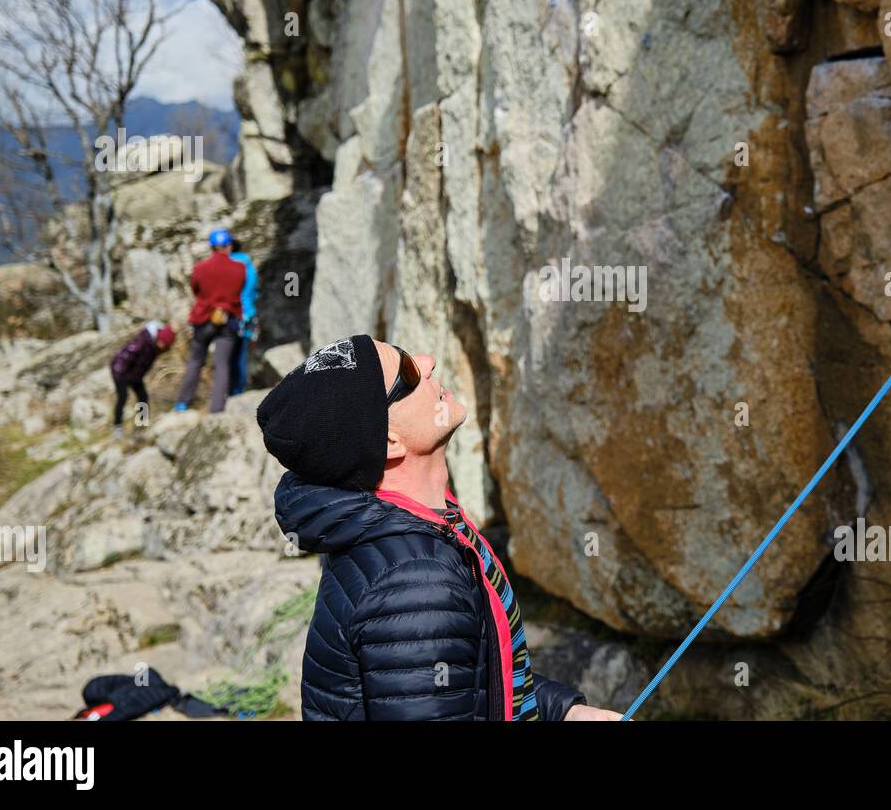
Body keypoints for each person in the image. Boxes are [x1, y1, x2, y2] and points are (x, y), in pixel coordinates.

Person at [257, 334, 625, 721]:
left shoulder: (415, 529)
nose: (429, 361)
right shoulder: (416, 582)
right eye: (409, 373)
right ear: (389, 441)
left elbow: (475, 678)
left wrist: (568, 713)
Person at [174, 228, 246, 414]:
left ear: (212, 247)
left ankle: (182, 403)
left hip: (203, 319)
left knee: (196, 360)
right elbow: (239, 290)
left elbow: (196, 290)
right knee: (222, 364)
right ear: (228, 246)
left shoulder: (200, 268)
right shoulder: (239, 269)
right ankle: (217, 409)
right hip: (228, 320)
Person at [109, 321, 175, 439]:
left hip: (134, 375)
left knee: (143, 397)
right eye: (163, 343)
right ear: (160, 338)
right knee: (123, 397)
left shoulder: (155, 346)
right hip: (120, 371)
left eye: (166, 345)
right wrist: (122, 375)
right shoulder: (143, 341)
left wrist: (135, 377)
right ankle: (117, 428)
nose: (163, 346)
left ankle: (141, 425)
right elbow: (126, 355)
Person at [228, 239, 258, 396]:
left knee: (228, 354)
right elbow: (254, 291)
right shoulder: (250, 266)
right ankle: (239, 389)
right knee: (242, 354)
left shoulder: (229, 265)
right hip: (249, 314)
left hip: (233, 315)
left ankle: (231, 391)